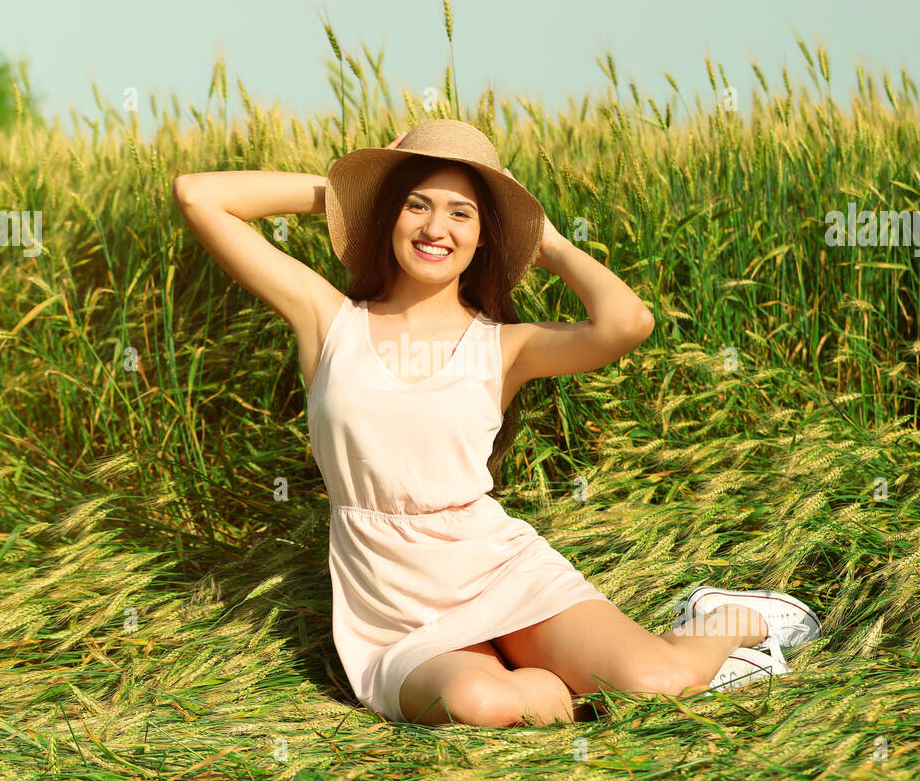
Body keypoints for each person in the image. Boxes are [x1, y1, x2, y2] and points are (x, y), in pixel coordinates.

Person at [173, 118, 821, 727]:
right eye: (416, 204)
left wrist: (554, 245)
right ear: (387, 215)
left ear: (484, 236)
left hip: (498, 568)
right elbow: (199, 195)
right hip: (392, 600)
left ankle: (724, 619)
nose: (436, 227)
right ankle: (571, 682)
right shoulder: (328, 319)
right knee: (478, 703)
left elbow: (628, 324)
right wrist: (345, 196)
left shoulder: (503, 347)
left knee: (655, 681)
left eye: (462, 212)